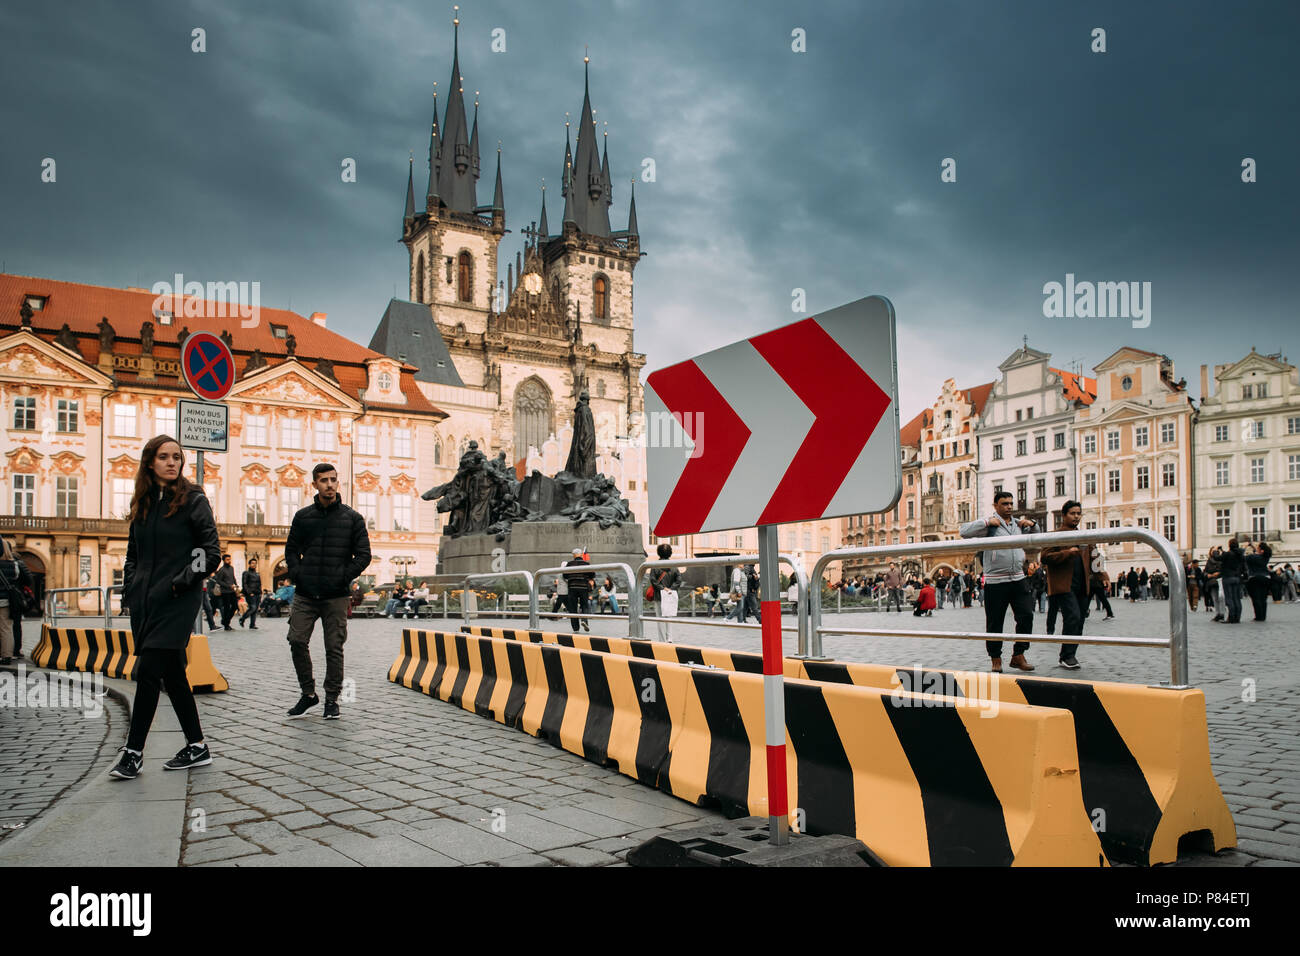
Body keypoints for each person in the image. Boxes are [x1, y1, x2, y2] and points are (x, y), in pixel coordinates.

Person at [109, 435, 221, 779]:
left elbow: (210, 551)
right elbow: (133, 555)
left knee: (147, 671)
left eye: (176, 457)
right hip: (146, 600)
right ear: (150, 462)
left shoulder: (193, 499)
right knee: (173, 676)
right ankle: (197, 746)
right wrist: (132, 586)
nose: (172, 463)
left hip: (177, 599)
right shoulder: (143, 504)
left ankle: (133, 753)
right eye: (164, 457)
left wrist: (181, 581)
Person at [283, 463, 372, 720]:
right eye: (324, 480)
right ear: (315, 485)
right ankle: (308, 694)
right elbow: (291, 550)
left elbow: (363, 555)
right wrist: (299, 573)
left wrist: (342, 576)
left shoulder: (352, 518)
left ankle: (332, 699)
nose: (329, 485)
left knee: (334, 648)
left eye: (333, 479)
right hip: (306, 594)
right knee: (296, 640)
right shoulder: (303, 517)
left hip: (335, 595)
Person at [960, 491, 1039, 673]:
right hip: (996, 581)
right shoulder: (990, 525)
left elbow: (1037, 534)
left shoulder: (1018, 524)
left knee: (1027, 615)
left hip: (1018, 578)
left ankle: (1018, 655)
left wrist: (1032, 524)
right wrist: (987, 522)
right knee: (995, 622)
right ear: (996, 506)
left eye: (1011, 503)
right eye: (1005, 504)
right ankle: (996, 659)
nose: (1009, 507)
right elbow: (964, 531)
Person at [1040, 500, 1093, 670]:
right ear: (1064, 515)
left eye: (1079, 513)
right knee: (1073, 617)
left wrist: (1103, 575)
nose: (1076, 516)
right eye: (1072, 513)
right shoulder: (1056, 535)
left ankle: (1071, 654)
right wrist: (1066, 553)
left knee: (1080, 620)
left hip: (1082, 584)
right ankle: (1066, 655)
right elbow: (1045, 557)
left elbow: (1094, 557)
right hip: (1064, 584)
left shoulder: (1084, 537)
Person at [0, 535, 35, 665]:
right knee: (6, 628)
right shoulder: (13, 564)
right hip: (6, 600)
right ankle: (7, 655)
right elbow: (17, 578)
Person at [649, 543, 681, 642]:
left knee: (660, 619)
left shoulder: (655, 566)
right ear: (670, 553)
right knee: (669, 618)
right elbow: (679, 580)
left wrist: (662, 588)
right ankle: (670, 639)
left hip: (659, 596)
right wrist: (671, 589)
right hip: (670, 595)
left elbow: (653, 580)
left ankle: (662, 640)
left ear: (658, 553)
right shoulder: (674, 566)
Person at [562, 548, 591, 632]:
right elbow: (592, 574)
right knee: (584, 605)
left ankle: (575, 628)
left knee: (573, 608)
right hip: (583, 587)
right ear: (581, 554)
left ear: (573, 555)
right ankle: (584, 621)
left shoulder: (569, 564)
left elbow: (565, 576)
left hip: (572, 587)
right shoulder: (586, 564)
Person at [1244, 542, 1273, 622]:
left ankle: (1258, 616)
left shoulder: (1252, 557)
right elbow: (1257, 552)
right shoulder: (1266, 557)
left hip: (1254, 578)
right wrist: (1253, 546)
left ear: (1261, 550)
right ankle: (1263, 616)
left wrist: (1245, 547)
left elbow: (1243, 557)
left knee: (1256, 598)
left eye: (1257, 547)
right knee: (1263, 598)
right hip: (1265, 577)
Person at [1218, 538, 1245, 624]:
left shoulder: (1228, 554)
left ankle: (1231, 617)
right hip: (1237, 578)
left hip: (1228, 577)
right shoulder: (1241, 555)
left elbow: (1217, 558)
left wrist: (1215, 551)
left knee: (1229, 598)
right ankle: (1237, 617)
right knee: (1237, 598)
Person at [214, 554, 238, 630]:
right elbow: (219, 581)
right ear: (224, 560)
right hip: (225, 592)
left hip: (232, 591)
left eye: (230, 559)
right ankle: (226, 625)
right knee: (227, 608)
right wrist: (228, 585)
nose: (229, 561)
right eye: (227, 559)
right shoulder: (221, 570)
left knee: (235, 606)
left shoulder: (231, 568)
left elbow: (233, 577)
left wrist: (236, 584)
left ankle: (225, 621)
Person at [239, 558, 262, 629]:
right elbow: (244, 584)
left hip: (258, 593)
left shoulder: (257, 574)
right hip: (251, 594)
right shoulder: (246, 573)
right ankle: (242, 618)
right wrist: (249, 592)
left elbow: (259, 584)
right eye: (252, 563)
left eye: (255, 563)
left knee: (255, 610)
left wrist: (260, 592)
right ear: (249, 564)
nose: (254, 564)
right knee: (253, 608)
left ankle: (252, 625)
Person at [1203, 546, 1224, 619]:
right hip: (1211, 581)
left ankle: (1222, 613)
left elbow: (1224, 569)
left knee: (1221, 597)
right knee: (1214, 598)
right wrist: (1207, 575)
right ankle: (1218, 613)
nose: (1214, 552)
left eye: (1215, 550)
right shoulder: (1209, 560)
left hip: (1220, 580)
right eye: (1212, 550)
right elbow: (1205, 571)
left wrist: (1218, 573)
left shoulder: (1221, 559)